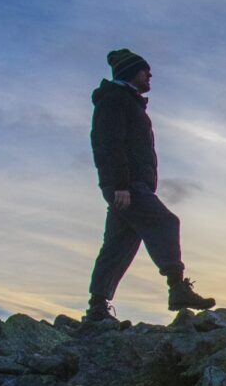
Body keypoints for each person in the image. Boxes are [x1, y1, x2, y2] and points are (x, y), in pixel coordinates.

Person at [84, 48, 216, 322]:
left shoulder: (125, 101)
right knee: (166, 222)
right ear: (132, 73)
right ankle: (177, 288)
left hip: (129, 184)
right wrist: (120, 185)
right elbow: (109, 144)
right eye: (146, 71)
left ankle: (97, 306)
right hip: (129, 185)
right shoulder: (116, 100)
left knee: (118, 245)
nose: (150, 76)